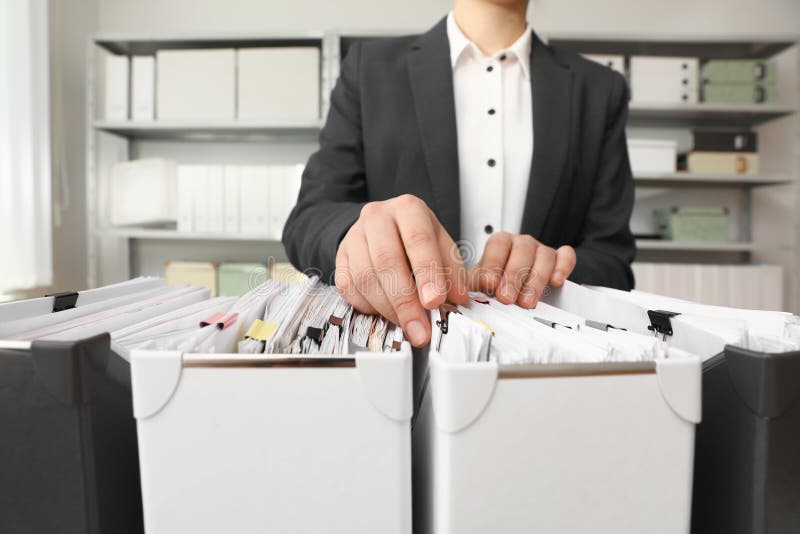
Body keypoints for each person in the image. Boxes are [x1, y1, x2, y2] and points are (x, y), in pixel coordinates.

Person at [283, 0, 636, 347]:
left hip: (538, 362)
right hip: (399, 353)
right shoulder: (370, 69)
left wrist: (555, 269)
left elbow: (612, 260)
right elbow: (309, 218)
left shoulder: (599, 90)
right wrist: (356, 233)